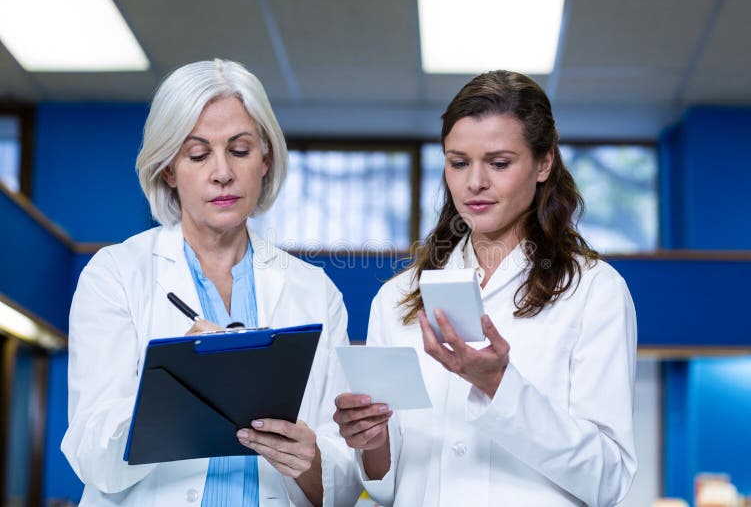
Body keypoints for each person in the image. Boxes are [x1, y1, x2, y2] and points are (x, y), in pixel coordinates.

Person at [61, 59, 360, 507]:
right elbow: (91, 454)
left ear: (265, 160)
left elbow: (342, 483)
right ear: (168, 168)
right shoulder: (115, 276)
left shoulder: (314, 292)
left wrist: (310, 460)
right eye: (198, 154)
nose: (222, 172)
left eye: (239, 150)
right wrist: (173, 391)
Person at [333, 70, 638, 506]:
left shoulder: (594, 293)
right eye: (458, 162)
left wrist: (499, 385)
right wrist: (372, 439)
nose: (474, 182)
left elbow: (608, 477)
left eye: (498, 163)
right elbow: (386, 483)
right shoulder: (398, 299)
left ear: (544, 163)